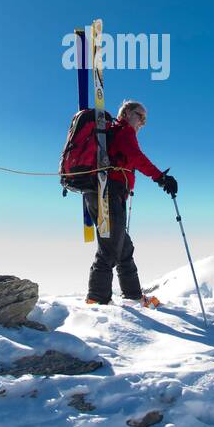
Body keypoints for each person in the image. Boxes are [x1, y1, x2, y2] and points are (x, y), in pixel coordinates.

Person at [83, 100, 177, 308]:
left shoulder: (115, 133)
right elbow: (137, 158)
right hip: (109, 192)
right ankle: (97, 300)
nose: (142, 121)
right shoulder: (124, 132)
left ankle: (133, 296)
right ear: (126, 113)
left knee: (123, 247)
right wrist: (160, 177)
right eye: (139, 115)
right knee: (110, 247)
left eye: (145, 118)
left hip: (104, 192)